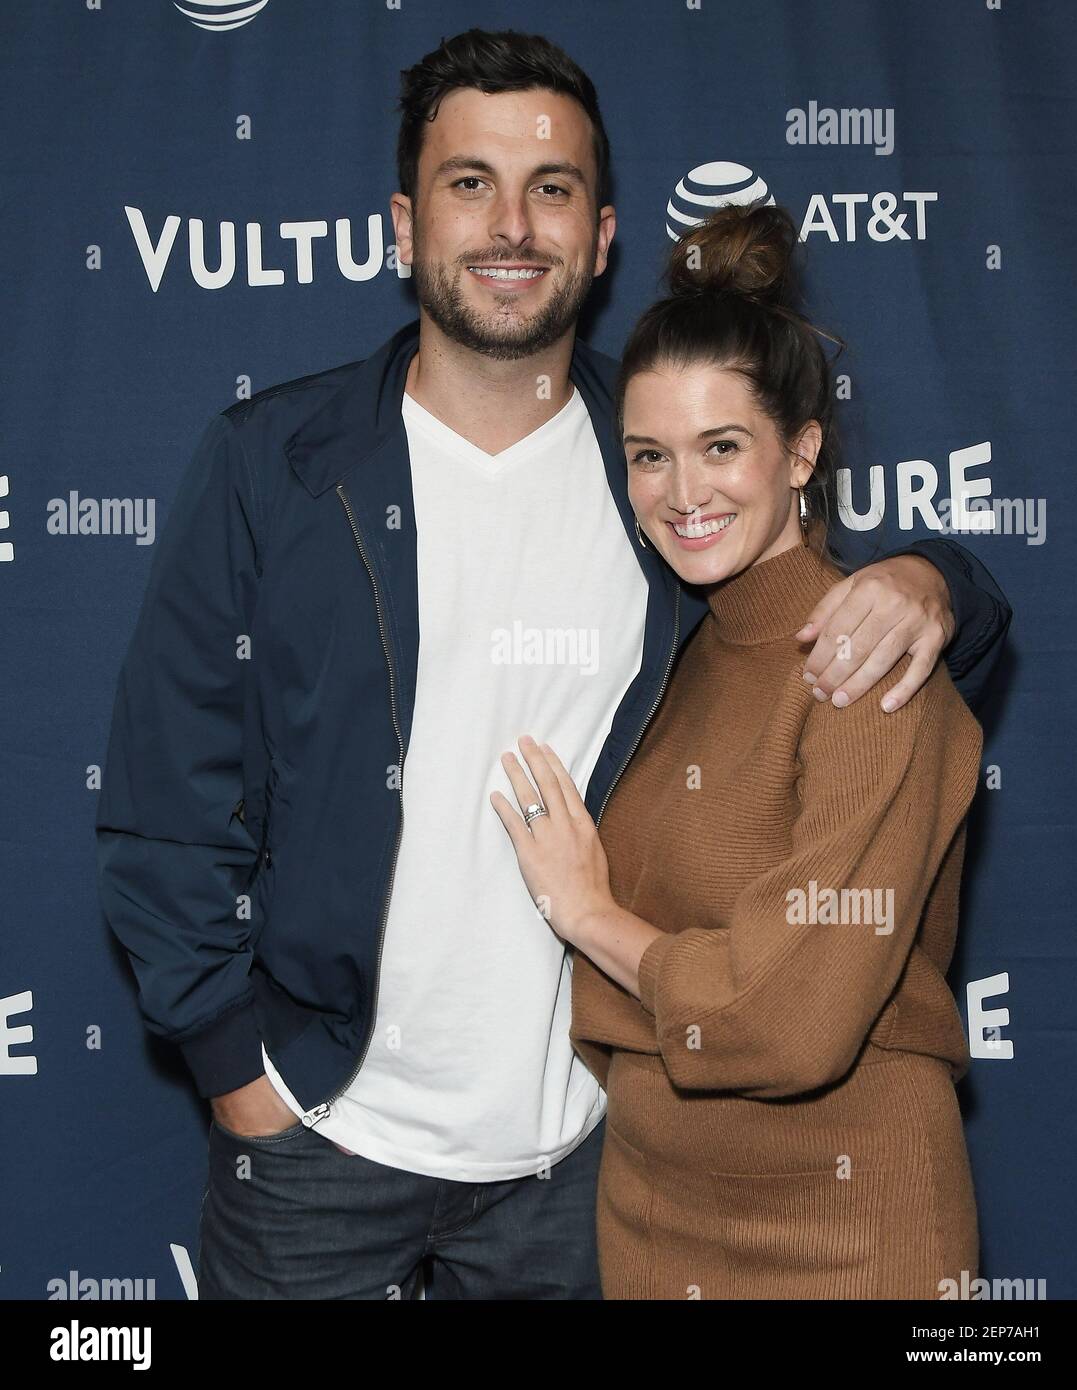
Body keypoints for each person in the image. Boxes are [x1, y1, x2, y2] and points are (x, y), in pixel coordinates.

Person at [95, 28, 1009, 1300]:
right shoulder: (275, 466)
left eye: (552, 188)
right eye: (470, 183)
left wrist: (939, 582)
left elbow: (807, 620)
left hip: (588, 1158)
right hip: (319, 1143)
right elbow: (164, 796)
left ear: (603, 230)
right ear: (406, 223)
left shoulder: (650, 477)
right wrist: (239, 1077)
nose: (510, 224)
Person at [491, 199, 988, 1299]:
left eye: (721, 447)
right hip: (652, 1220)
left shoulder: (870, 666)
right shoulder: (663, 653)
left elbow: (785, 1021)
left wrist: (588, 917)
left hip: (854, 1232)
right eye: (648, 456)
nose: (682, 494)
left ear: (800, 450)